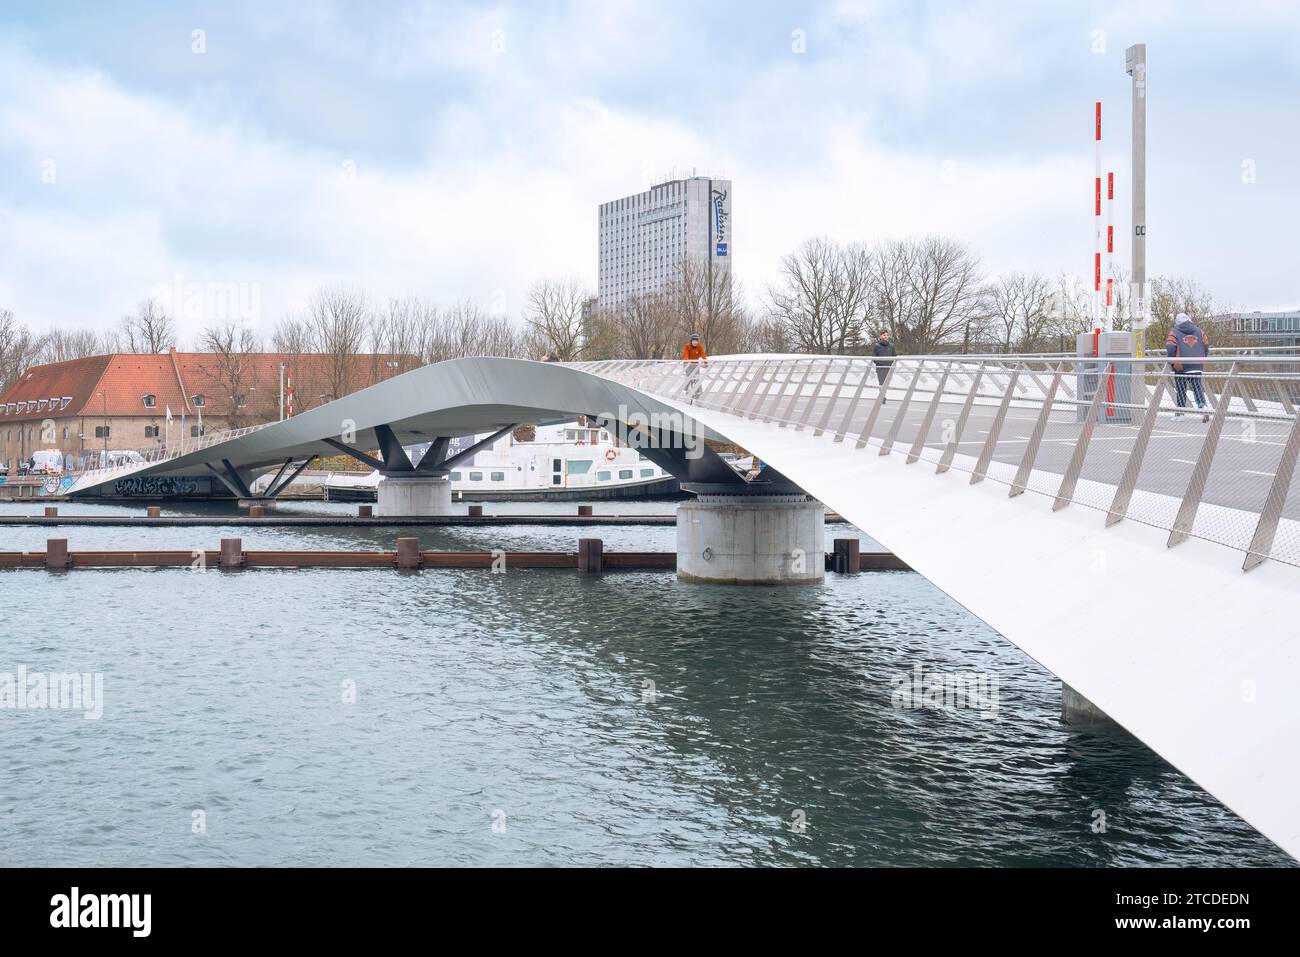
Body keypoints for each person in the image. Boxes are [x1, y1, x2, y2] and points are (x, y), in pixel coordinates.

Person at [1165, 312, 1211, 423]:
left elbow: (1170, 347)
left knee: (1181, 389)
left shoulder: (1174, 332)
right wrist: (1202, 358)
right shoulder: (1200, 331)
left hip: (1181, 365)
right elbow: (1206, 346)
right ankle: (1203, 406)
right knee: (1197, 386)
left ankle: (1180, 414)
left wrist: (1172, 362)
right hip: (1197, 363)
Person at [871, 330, 897, 404]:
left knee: (886, 383)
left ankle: (882, 395)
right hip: (880, 367)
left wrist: (891, 364)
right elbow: (874, 357)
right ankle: (882, 397)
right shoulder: (877, 346)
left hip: (889, 367)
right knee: (882, 383)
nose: (886, 336)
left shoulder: (891, 346)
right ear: (880, 336)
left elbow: (894, 356)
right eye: (884, 335)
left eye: (887, 335)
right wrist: (880, 363)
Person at [681, 333, 708, 403]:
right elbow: (685, 355)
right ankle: (686, 392)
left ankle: (698, 394)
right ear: (691, 341)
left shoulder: (699, 347)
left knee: (697, 379)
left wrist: (706, 363)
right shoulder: (687, 346)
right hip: (688, 364)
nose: (695, 342)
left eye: (696, 340)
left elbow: (703, 354)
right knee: (689, 378)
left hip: (695, 365)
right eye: (694, 340)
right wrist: (687, 362)